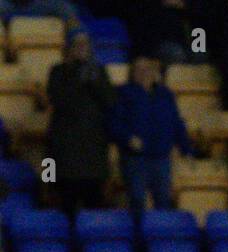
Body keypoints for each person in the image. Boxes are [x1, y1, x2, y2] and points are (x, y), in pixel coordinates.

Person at [110, 57, 193, 216]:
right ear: (132, 73)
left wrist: (186, 149)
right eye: (139, 70)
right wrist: (128, 138)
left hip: (161, 158)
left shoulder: (166, 94)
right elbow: (113, 123)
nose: (144, 73)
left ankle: (162, 237)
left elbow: (176, 123)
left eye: (147, 69)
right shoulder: (123, 93)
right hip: (135, 159)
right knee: (137, 201)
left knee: (163, 202)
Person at [43, 30, 114, 216]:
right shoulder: (58, 71)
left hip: (93, 155)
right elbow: (59, 100)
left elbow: (109, 101)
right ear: (69, 48)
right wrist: (78, 76)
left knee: (95, 212)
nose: (82, 48)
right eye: (77, 44)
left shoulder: (98, 72)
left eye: (85, 44)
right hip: (66, 155)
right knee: (65, 209)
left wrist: (92, 79)